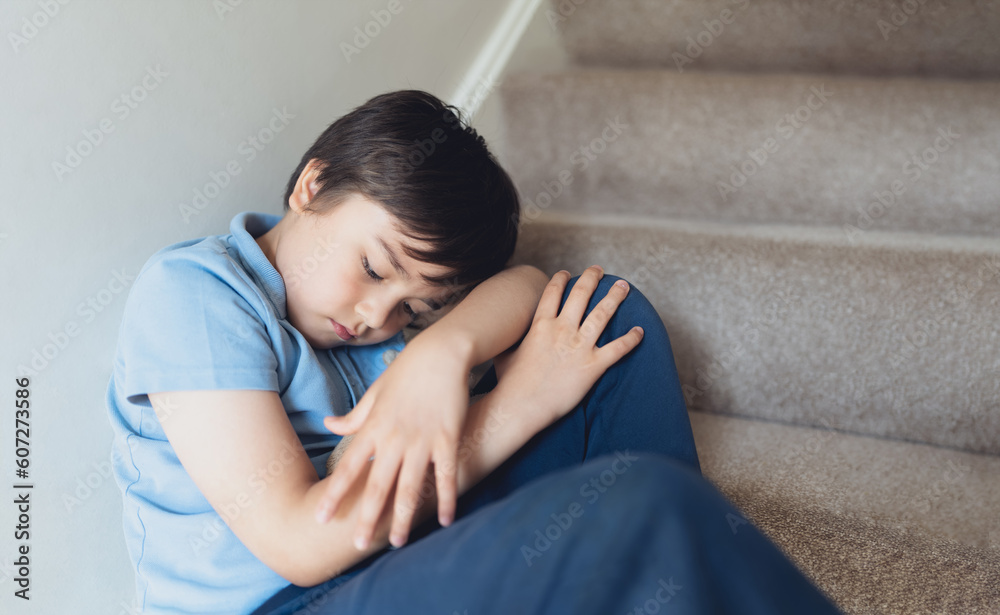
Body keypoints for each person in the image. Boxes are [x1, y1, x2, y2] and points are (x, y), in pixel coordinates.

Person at [106, 89, 842, 614]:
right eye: (372, 266)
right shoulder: (196, 293)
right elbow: (298, 541)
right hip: (292, 595)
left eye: (415, 306)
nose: (375, 316)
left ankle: (655, 584)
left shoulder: (389, 331)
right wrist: (517, 406)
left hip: (399, 555)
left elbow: (526, 284)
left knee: (604, 315)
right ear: (313, 184)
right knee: (644, 498)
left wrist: (444, 348)